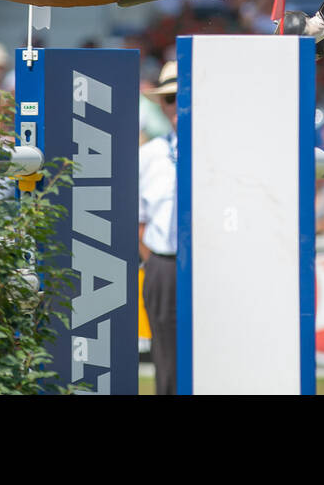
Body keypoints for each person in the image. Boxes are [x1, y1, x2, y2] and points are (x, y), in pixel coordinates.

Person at [138, 60, 179, 395]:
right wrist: (153, 261)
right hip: (163, 263)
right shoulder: (150, 154)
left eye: (182, 97)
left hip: (212, 260)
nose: (177, 106)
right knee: (165, 356)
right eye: (170, 99)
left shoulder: (219, 150)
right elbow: (138, 219)